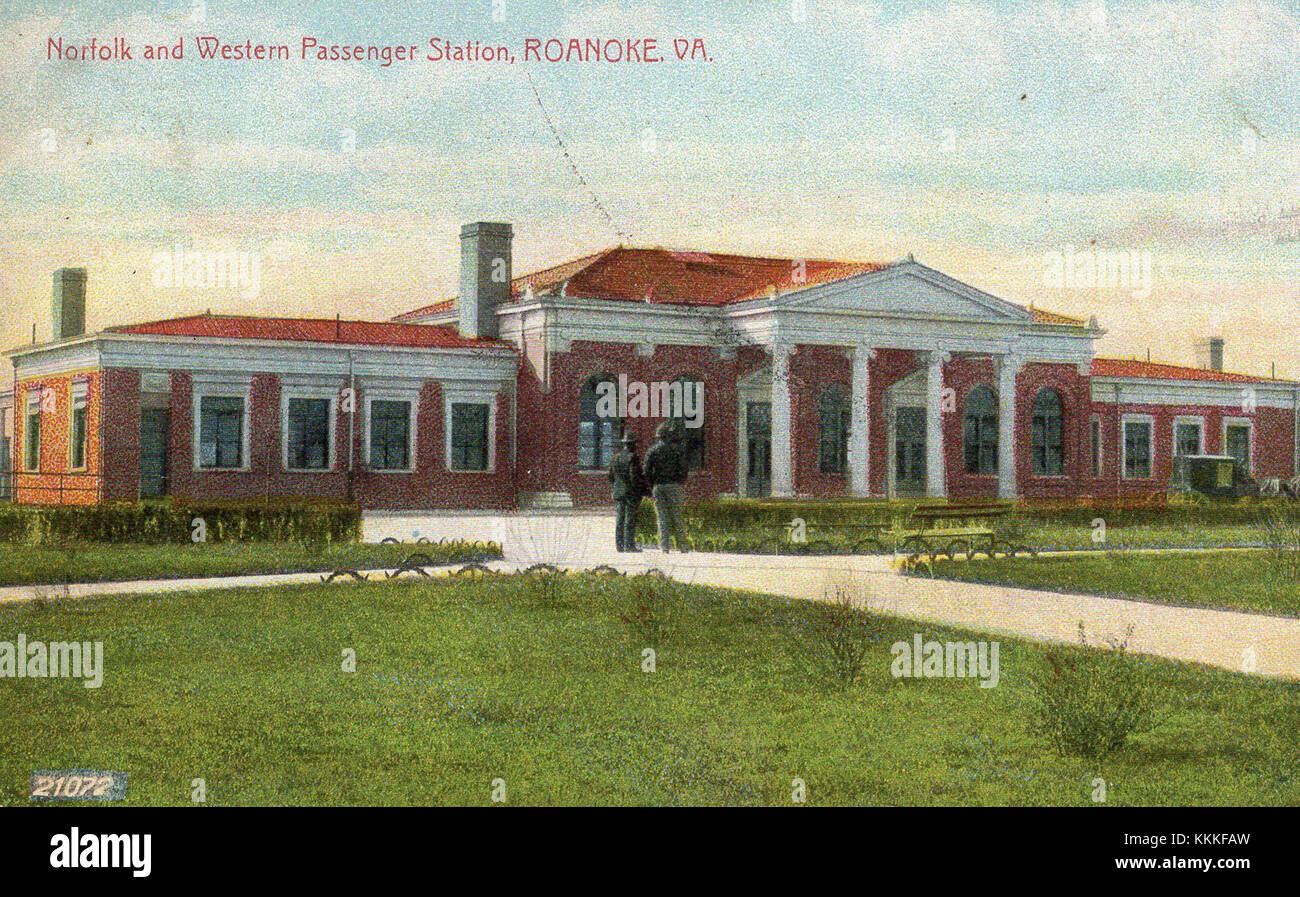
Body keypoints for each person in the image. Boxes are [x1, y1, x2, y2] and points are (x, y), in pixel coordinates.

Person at [643, 422, 690, 552]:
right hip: (673, 485)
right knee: (676, 516)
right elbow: (684, 468)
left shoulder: (652, 451)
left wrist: (652, 485)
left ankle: (664, 546)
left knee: (662, 517)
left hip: (658, 486)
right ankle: (683, 546)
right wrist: (680, 481)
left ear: (658, 437)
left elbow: (646, 471)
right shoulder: (677, 450)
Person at [608, 431, 648, 552]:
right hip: (631, 493)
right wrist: (642, 490)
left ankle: (619, 546)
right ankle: (629, 545)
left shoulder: (615, 457)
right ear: (632, 444)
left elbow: (610, 476)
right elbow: (634, 477)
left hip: (619, 492)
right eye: (635, 444)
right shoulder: (633, 457)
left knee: (620, 519)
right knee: (629, 519)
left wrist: (616, 487)